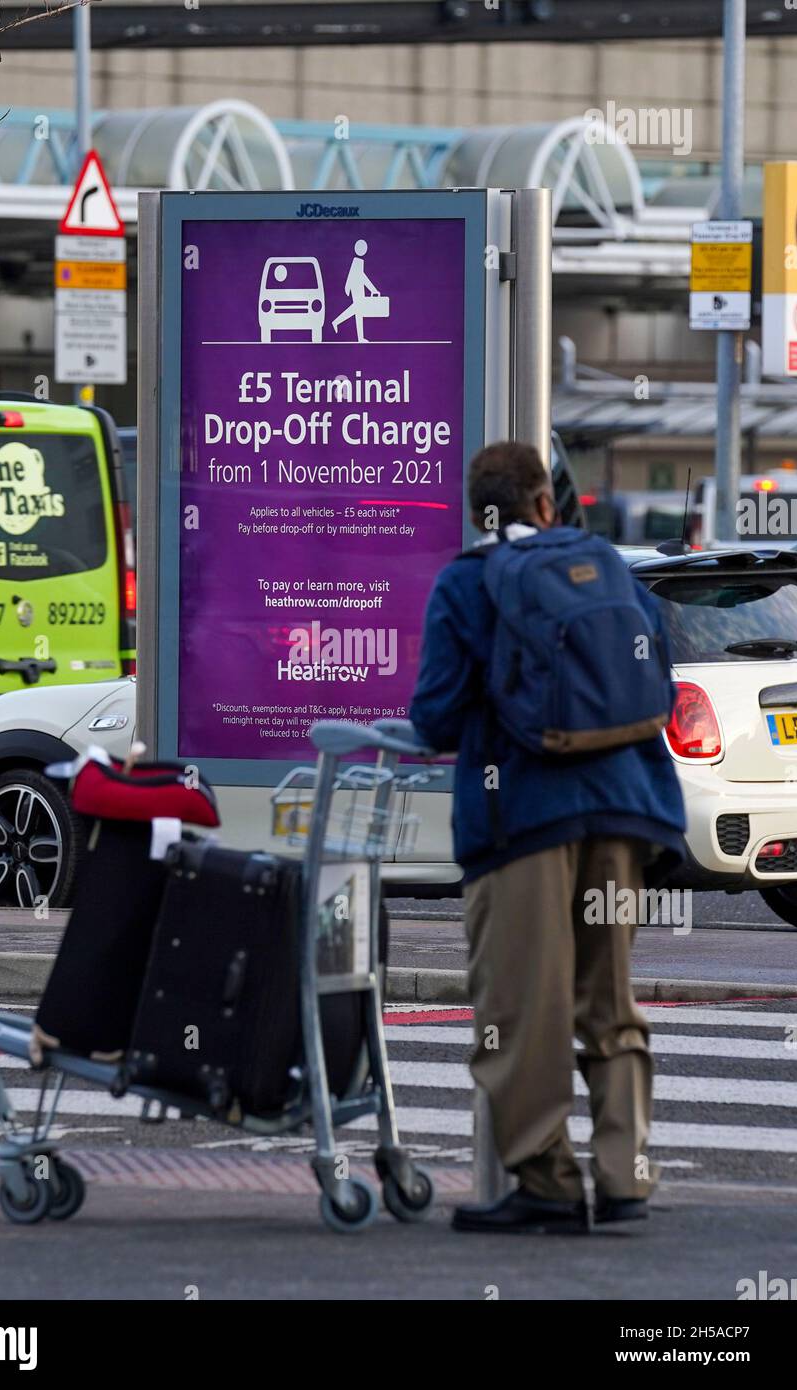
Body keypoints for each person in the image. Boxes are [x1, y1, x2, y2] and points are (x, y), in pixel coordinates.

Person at [409, 441, 686, 1234]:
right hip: (625, 820)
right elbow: (654, 681)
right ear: (545, 504)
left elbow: (433, 713)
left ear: (478, 511)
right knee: (610, 997)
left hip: (524, 823)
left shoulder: (467, 584)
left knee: (520, 1009)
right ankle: (626, 1173)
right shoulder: (606, 565)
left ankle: (549, 1182)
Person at [331, 239, 381, 343]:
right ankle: (337, 322)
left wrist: (348, 287)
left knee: (357, 312)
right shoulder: (357, 262)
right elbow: (362, 277)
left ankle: (359, 337)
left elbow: (358, 276)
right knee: (356, 310)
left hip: (356, 288)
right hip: (357, 289)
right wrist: (373, 289)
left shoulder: (357, 261)